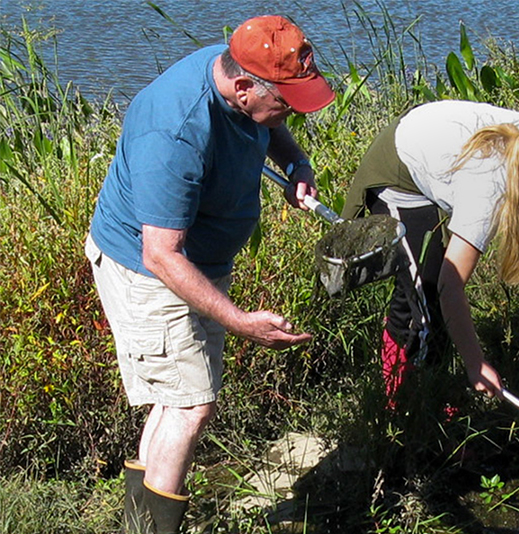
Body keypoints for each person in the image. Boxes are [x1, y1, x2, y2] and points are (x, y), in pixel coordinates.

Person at [84, 15, 334, 534]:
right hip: (147, 271)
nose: (289, 111)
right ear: (243, 87)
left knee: (176, 399)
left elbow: (271, 124)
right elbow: (161, 255)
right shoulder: (173, 133)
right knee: (191, 405)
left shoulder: (240, 71)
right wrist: (242, 322)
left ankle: (138, 526)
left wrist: (297, 165)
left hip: (194, 261)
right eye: (285, 101)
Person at [340, 100, 519, 406]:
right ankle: (406, 407)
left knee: (423, 289)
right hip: (401, 173)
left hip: (430, 145)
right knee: (427, 305)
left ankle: (425, 396)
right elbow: (451, 285)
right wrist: (476, 364)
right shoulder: (490, 181)